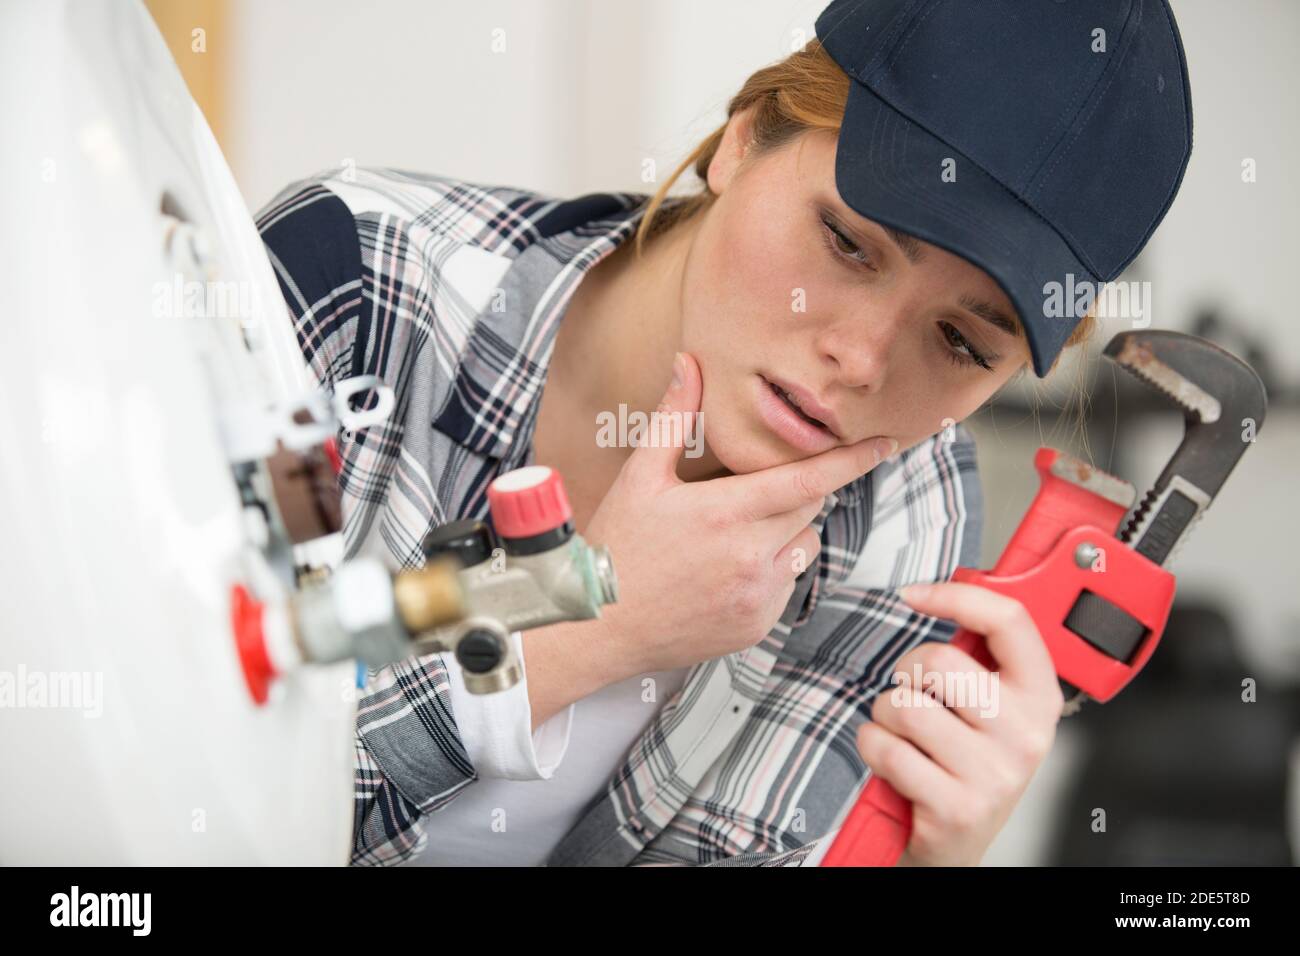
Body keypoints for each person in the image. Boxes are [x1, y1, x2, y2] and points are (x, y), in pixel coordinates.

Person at [256, 0, 1192, 866]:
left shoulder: (912, 520)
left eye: (958, 340)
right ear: (742, 141)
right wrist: (585, 624)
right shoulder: (356, 284)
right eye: (847, 242)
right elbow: (168, 789)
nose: (861, 361)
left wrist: (916, 860)